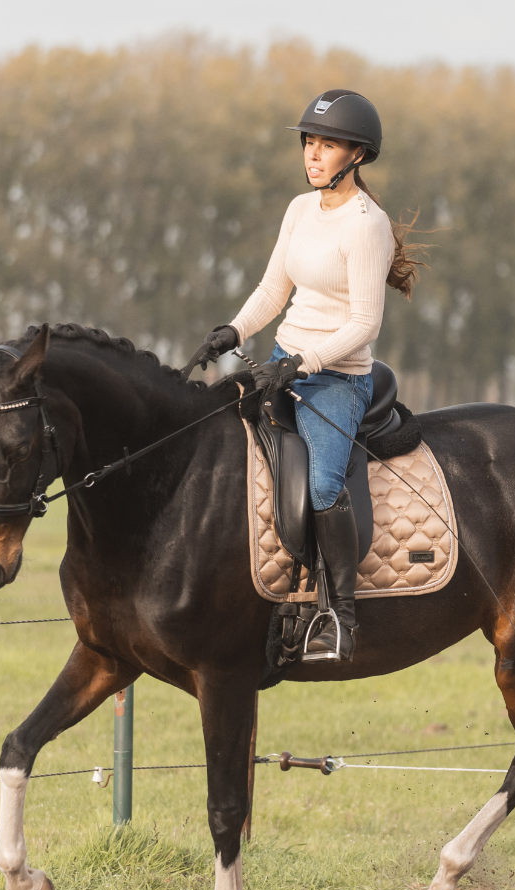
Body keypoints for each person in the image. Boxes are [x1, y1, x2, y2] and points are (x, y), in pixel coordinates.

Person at [190, 89, 423, 662]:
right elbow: (275, 289)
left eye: (328, 145)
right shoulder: (299, 208)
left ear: (358, 156)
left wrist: (304, 363)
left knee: (323, 484)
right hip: (280, 363)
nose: (313, 155)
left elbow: (365, 323)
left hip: (336, 379)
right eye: (309, 143)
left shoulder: (368, 225)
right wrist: (233, 332)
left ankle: (339, 618)